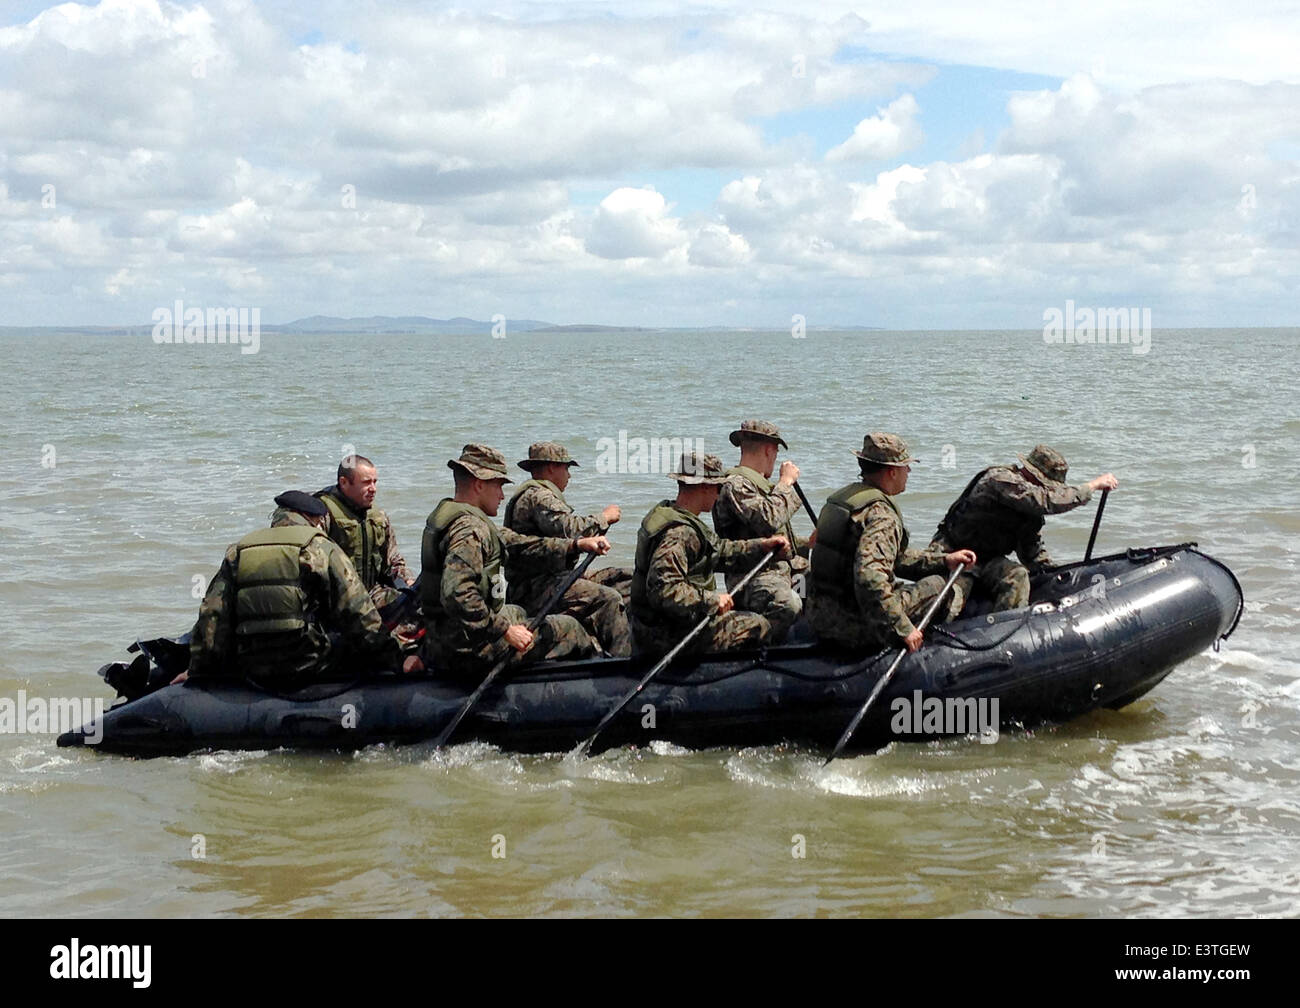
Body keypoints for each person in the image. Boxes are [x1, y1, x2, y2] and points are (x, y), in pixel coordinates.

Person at [181, 491, 421, 684]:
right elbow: (359, 613)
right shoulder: (321, 547)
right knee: (348, 646)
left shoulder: (239, 550)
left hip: (251, 663)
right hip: (306, 662)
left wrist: (198, 671)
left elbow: (212, 615)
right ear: (313, 520)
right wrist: (396, 659)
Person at [420, 444, 611, 679]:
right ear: (479, 484)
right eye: (498, 486)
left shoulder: (451, 516)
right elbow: (457, 593)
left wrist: (575, 545)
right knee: (569, 628)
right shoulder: (471, 530)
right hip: (467, 650)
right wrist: (506, 631)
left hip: (442, 637)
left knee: (517, 610)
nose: (502, 495)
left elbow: (518, 543)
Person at [806, 434, 975, 654]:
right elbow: (870, 577)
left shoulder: (841, 500)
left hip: (820, 617)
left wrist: (944, 560)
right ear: (892, 471)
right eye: (906, 467)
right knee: (938, 585)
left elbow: (888, 557)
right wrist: (903, 628)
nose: (909, 472)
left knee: (933, 575)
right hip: (855, 625)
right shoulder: (882, 516)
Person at [630, 450, 789, 655]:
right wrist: (711, 600)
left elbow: (720, 551)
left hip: (662, 624)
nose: (719, 493)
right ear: (704, 486)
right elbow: (664, 590)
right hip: (667, 635)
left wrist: (762, 546)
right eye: (718, 487)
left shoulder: (674, 514)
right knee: (758, 625)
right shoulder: (679, 533)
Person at [929, 445, 1119, 612]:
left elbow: (1031, 549)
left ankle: (1004, 632)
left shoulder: (1029, 509)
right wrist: (1092, 486)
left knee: (1018, 575)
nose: (1046, 488)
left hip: (986, 560)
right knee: (953, 599)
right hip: (952, 554)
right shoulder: (1001, 480)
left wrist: (1055, 576)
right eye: (1045, 484)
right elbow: (1046, 501)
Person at [503, 441, 631, 657]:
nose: (569, 476)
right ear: (552, 467)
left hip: (553, 577)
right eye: (566, 468)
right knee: (608, 598)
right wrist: (604, 517)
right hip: (536, 586)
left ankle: (615, 644)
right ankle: (621, 664)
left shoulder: (539, 494)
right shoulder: (539, 496)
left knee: (624, 580)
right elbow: (570, 529)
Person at [712, 419, 813, 642]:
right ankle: (761, 647)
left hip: (785, 571)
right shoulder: (736, 485)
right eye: (775, 452)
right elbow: (768, 519)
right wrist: (785, 482)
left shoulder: (760, 485)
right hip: (753, 578)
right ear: (770, 450)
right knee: (788, 603)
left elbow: (774, 537)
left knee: (828, 583)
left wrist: (809, 544)